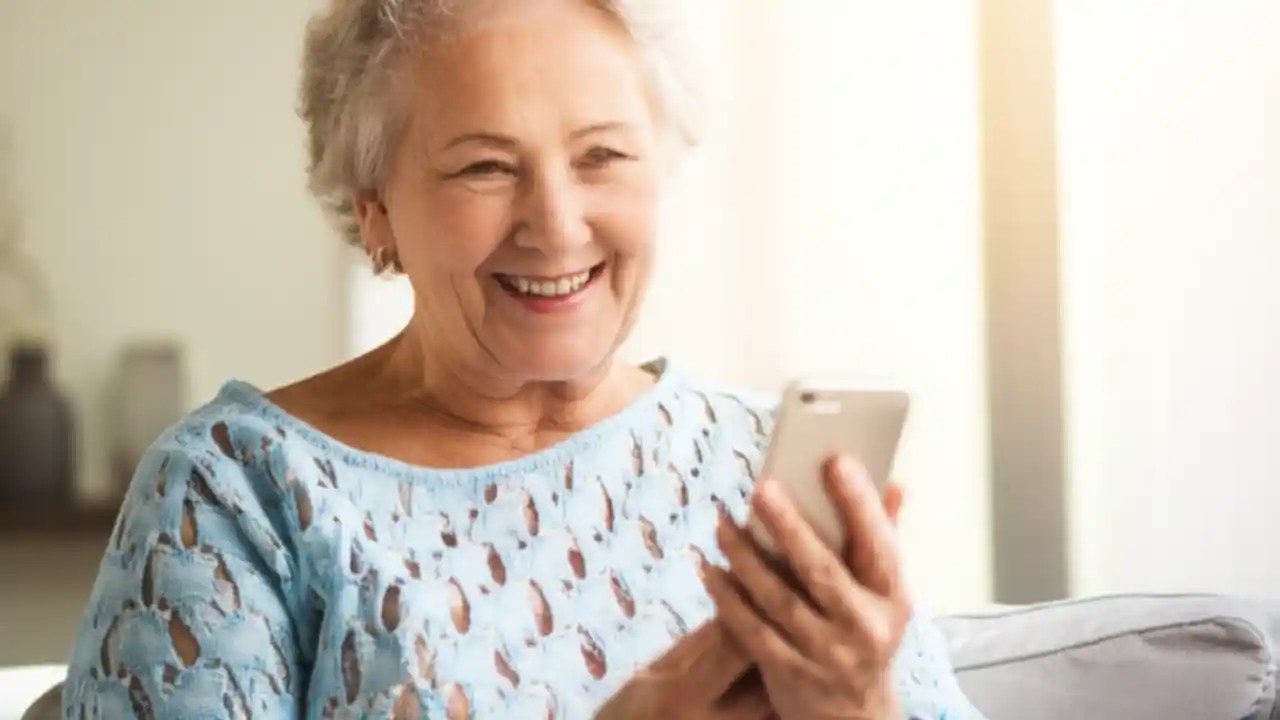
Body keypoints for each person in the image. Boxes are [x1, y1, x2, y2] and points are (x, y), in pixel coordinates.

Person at [62, 0, 986, 717]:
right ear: (375, 203)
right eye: (485, 167)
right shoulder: (235, 491)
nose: (556, 224)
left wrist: (860, 707)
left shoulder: (760, 466)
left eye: (602, 157)